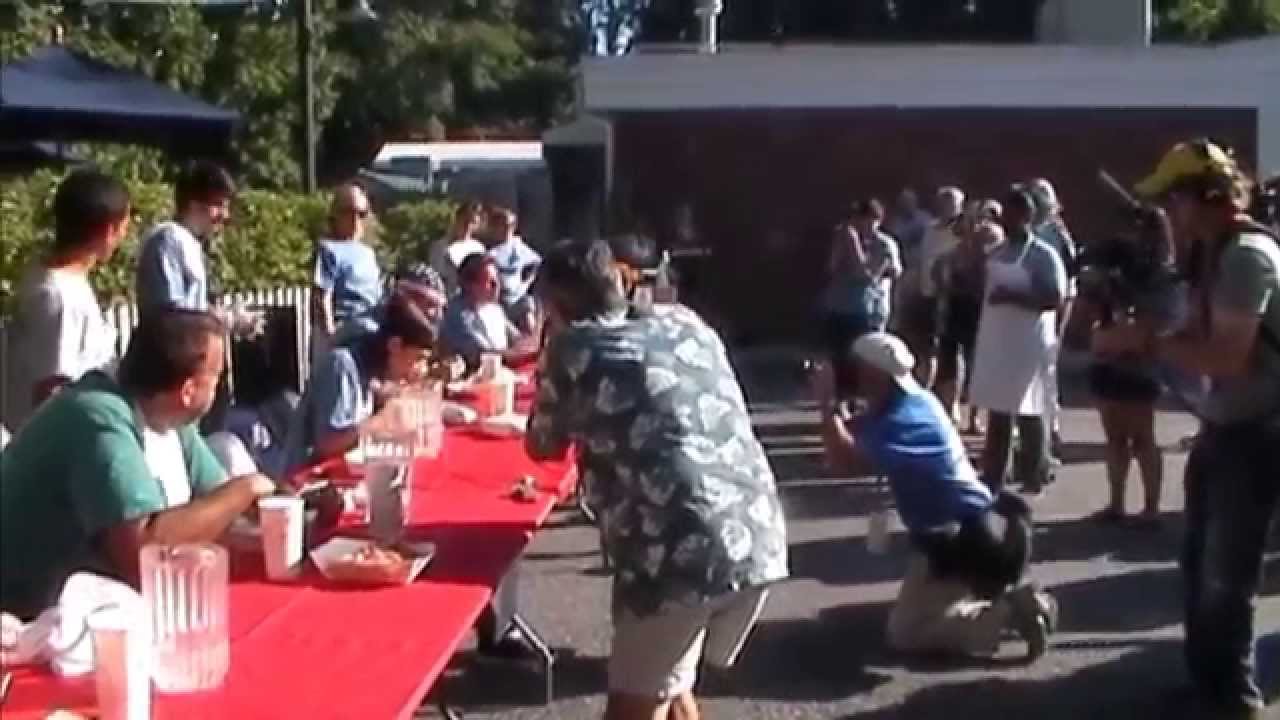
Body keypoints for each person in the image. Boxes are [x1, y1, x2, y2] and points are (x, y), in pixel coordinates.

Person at [526, 239, 788, 720]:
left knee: (632, 707)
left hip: (676, 551)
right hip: (755, 533)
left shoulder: (574, 347)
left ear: (555, 306)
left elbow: (542, 444)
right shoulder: (684, 320)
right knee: (670, 681)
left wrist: (553, 350)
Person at [1096, 139, 1280, 719]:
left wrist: (1145, 341)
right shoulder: (1214, 254)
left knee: (1228, 575)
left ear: (1206, 197)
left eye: (1174, 200)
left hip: (1258, 432)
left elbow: (1226, 357)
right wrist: (1146, 334)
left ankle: (1236, 699)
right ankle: (1207, 683)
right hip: (1227, 426)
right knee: (1200, 564)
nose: (1169, 213)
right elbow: (1198, 339)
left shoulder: (1247, 256)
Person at [0, 309, 277, 619]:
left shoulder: (167, 415)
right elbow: (143, 556)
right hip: (24, 617)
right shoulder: (98, 419)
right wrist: (246, 488)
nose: (220, 386)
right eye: (217, 376)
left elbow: (217, 508)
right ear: (188, 391)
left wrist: (285, 514)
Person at [812, 332, 1056, 659]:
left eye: (855, 367)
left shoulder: (906, 419)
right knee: (908, 611)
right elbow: (847, 440)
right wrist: (836, 413)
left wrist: (827, 405)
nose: (849, 373)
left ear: (874, 374)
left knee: (906, 633)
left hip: (968, 542)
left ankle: (1010, 613)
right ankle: (991, 598)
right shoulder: (912, 402)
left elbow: (844, 463)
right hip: (968, 529)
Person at [2, 170, 129, 432]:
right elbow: (51, 390)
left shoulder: (46, 277)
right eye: (124, 227)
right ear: (109, 231)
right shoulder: (60, 298)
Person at [968, 187, 1067, 495]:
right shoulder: (997, 252)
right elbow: (979, 287)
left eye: (1012, 213)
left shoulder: (1043, 255)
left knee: (1029, 407)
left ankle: (1035, 471)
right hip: (998, 338)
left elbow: (1054, 297)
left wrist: (1014, 296)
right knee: (999, 408)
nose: (1005, 219)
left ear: (1026, 216)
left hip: (1028, 341)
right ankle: (994, 475)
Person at [820, 199, 903, 395]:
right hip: (840, 306)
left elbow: (867, 275)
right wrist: (840, 246)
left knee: (865, 359)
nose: (861, 225)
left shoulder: (883, 244)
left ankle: (865, 399)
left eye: (868, 220)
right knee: (839, 357)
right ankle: (843, 399)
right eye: (858, 220)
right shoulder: (844, 240)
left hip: (867, 310)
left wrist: (854, 244)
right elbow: (831, 268)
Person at [135, 161, 236, 316]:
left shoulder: (188, 242)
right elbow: (171, 313)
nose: (225, 215)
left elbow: (192, 307)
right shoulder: (169, 239)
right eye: (218, 205)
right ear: (193, 204)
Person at [934, 213, 1003, 434]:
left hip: (980, 310)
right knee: (952, 361)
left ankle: (974, 416)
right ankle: (952, 409)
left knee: (977, 363)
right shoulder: (952, 255)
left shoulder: (988, 255)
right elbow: (938, 276)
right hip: (956, 308)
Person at [1029, 178, 1079, 461]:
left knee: (1046, 363)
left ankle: (1052, 426)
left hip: (1054, 300)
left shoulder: (1056, 231)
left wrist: (1060, 308)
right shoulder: (1027, 229)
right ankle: (1031, 425)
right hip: (1029, 303)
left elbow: (1071, 269)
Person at [906, 187, 966, 387]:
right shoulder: (930, 229)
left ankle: (951, 393)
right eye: (944, 202)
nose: (947, 207)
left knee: (950, 349)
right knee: (926, 345)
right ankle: (926, 387)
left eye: (952, 203)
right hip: (927, 293)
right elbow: (924, 258)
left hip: (952, 296)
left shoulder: (963, 232)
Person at [311, 182, 382, 350]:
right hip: (345, 329)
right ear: (335, 215)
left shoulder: (369, 253)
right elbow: (322, 295)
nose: (355, 221)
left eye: (361, 214)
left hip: (372, 325)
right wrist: (330, 335)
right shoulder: (329, 249)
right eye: (348, 212)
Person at [439, 253, 529, 367]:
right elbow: (483, 355)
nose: (497, 286)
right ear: (469, 285)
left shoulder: (494, 309)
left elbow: (518, 339)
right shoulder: (457, 315)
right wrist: (521, 351)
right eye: (490, 281)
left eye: (497, 280)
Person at [483, 206, 541, 334]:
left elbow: (537, 263)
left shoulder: (518, 247)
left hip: (518, 296)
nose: (507, 229)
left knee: (528, 316)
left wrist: (526, 283)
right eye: (503, 225)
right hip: (499, 301)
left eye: (510, 225)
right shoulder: (490, 252)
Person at [428, 201, 484, 295]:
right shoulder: (440, 246)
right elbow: (435, 276)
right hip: (446, 296)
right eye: (465, 221)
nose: (468, 226)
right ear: (457, 220)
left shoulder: (478, 248)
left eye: (472, 222)